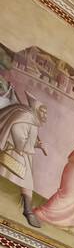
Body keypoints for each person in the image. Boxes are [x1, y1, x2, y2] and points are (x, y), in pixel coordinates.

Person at [0, 96, 48, 224]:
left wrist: (37, 145)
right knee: (26, 181)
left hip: (23, 153)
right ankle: (28, 211)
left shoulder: (33, 121)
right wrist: (24, 148)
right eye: (43, 111)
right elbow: (18, 137)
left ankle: (27, 210)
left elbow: (29, 141)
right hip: (13, 151)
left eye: (46, 112)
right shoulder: (24, 117)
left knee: (28, 182)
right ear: (35, 109)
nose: (45, 115)